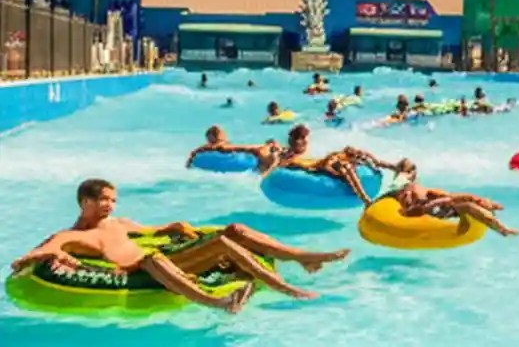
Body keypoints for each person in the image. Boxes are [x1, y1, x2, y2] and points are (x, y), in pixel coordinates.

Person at [10, 179, 350, 313]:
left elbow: (152, 231)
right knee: (156, 258)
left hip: (170, 256)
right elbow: (47, 248)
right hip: (146, 267)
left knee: (234, 230)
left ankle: (302, 258)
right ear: (85, 201)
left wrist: (174, 227)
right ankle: (247, 296)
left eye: (113, 200)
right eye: (104, 200)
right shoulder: (77, 236)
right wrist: (37, 257)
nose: (110, 205)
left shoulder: (120, 223)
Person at [269, 145, 416, 206]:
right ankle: (366, 199)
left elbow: (375, 161)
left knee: (358, 163)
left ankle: (399, 167)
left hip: (329, 164)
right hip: (317, 168)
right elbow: (340, 172)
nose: (358, 161)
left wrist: (393, 167)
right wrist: (366, 200)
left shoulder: (359, 155)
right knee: (347, 169)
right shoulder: (339, 161)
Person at [394, 183, 519, 236]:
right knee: (466, 205)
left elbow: (447, 198)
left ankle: (485, 204)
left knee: (462, 199)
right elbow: (412, 212)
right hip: (439, 211)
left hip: (447, 208)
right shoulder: (406, 199)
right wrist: (431, 204)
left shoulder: (427, 193)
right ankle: (502, 229)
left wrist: (441, 200)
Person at [186, 126, 281, 172]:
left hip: (256, 155)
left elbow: (194, 153)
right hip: (257, 154)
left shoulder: (216, 146)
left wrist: (189, 163)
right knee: (264, 155)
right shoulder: (220, 145)